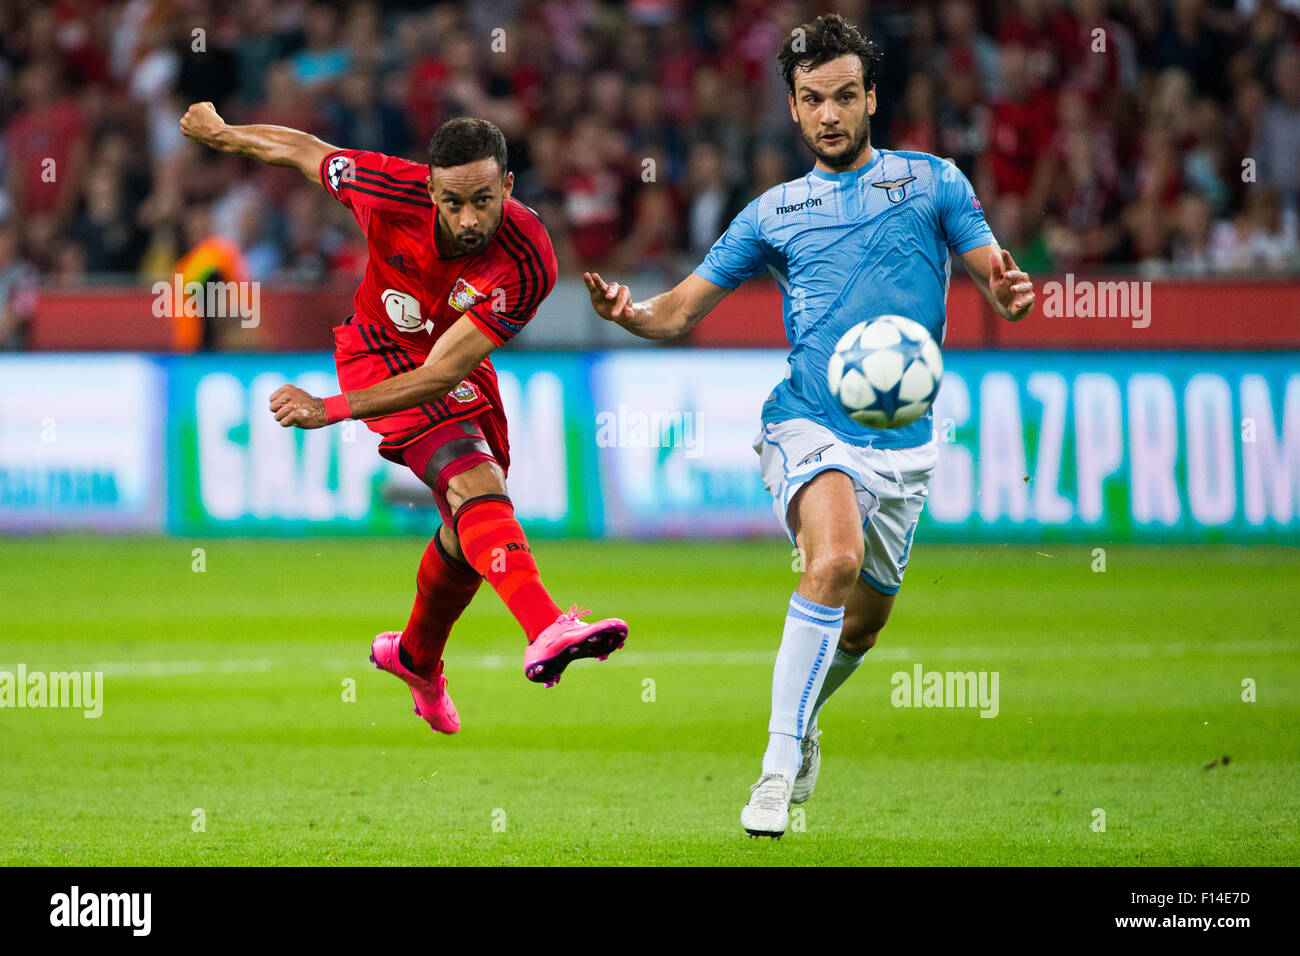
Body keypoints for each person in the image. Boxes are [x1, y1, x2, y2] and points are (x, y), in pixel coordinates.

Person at [582, 14, 1034, 837]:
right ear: (793, 107)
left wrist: (1008, 290)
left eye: (845, 97)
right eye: (813, 99)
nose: (830, 113)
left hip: (904, 447)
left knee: (862, 622)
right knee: (832, 558)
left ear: (871, 99)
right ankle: (775, 770)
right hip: (806, 424)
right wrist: (629, 312)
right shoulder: (771, 214)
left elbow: (992, 269)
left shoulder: (934, 182)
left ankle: (806, 717)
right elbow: (678, 311)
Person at [180, 103, 628, 734]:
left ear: (508, 187)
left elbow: (443, 373)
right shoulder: (385, 186)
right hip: (376, 350)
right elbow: (304, 150)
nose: (468, 219)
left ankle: (415, 658)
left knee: (468, 523)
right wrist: (226, 135)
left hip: (451, 362)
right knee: (475, 484)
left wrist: (326, 411)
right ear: (430, 189)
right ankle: (546, 626)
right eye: (451, 202)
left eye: (482, 200)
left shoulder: (529, 260)